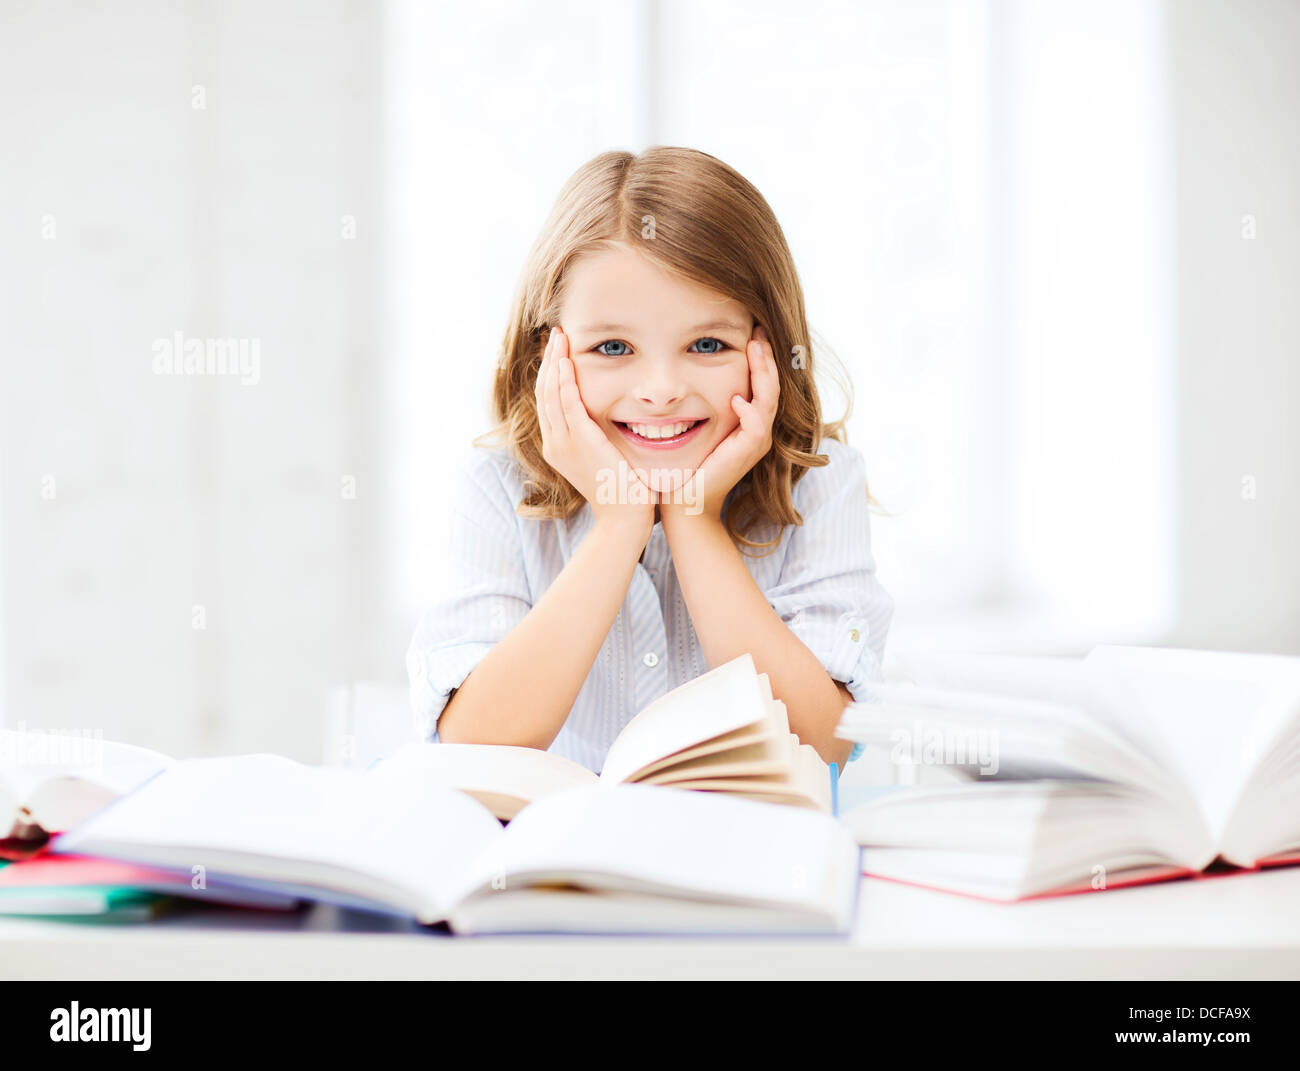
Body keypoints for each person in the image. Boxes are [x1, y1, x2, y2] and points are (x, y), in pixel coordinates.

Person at [406, 146, 894, 774]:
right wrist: (617, 525)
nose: (660, 388)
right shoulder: (497, 490)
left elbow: (820, 742)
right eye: (613, 346)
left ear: (766, 347)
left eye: (708, 344)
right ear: (546, 355)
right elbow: (473, 744)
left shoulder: (821, 484)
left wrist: (694, 519)